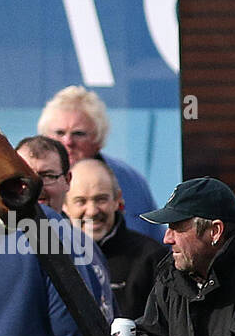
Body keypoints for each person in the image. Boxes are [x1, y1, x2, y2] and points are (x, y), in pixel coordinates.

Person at [0, 136, 113, 336]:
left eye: (48, 176)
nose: (34, 185)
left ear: (68, 180)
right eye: (23, 174)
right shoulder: (64, 235)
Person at [92, 177, 235, 336]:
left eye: (177, 227)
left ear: (214, 231)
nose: (166, 238)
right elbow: (153, 334)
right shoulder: (172, 274)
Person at [37, 86, 161, 242]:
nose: (68, 142)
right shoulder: (29, 181)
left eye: (78, 133)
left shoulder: (128, 180)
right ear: (45, 138)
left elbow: (153, 240)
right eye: (59, 133)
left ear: (98, 140)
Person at [63, 158, 164, 320]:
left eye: (100, 199)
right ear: (65, 206)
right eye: (80, 201)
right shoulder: (53, 257)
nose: (92, 211)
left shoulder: (152, 258)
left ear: (117, 200)